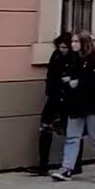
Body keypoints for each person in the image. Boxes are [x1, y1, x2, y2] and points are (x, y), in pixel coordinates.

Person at [51, 31, 95, 181]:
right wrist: (69, 81)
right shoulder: (72, 59)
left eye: (76, 42)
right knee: (72, 136)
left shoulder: (94, 59)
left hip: (94, 104)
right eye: (72, 41)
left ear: (84, 43)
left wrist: (78, 82)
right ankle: (67, 168)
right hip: (76, 104)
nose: (72, 44)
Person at [33, 33, 75, 176]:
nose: (62, 49)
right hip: (54, 97)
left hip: (68, 99)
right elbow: (50, 75)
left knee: (72, 131)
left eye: (64, 47)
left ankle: (74, 164)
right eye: (60, 47)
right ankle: (43, 164)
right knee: (45, 128)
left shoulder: (75, 57)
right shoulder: (56, 55)